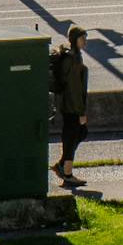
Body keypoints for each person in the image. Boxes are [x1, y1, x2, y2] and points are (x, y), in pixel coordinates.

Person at [50, 25, 89, 184]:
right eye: (82, 38)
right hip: (71, 106)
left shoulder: (72, 56)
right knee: (72, 136)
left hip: (68, 104)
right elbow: (75, 88)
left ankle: (61, 165)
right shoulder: (73, 59)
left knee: (80, 133)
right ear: (74, 40)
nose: (85, 41)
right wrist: (81, 112)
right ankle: (67, 174)